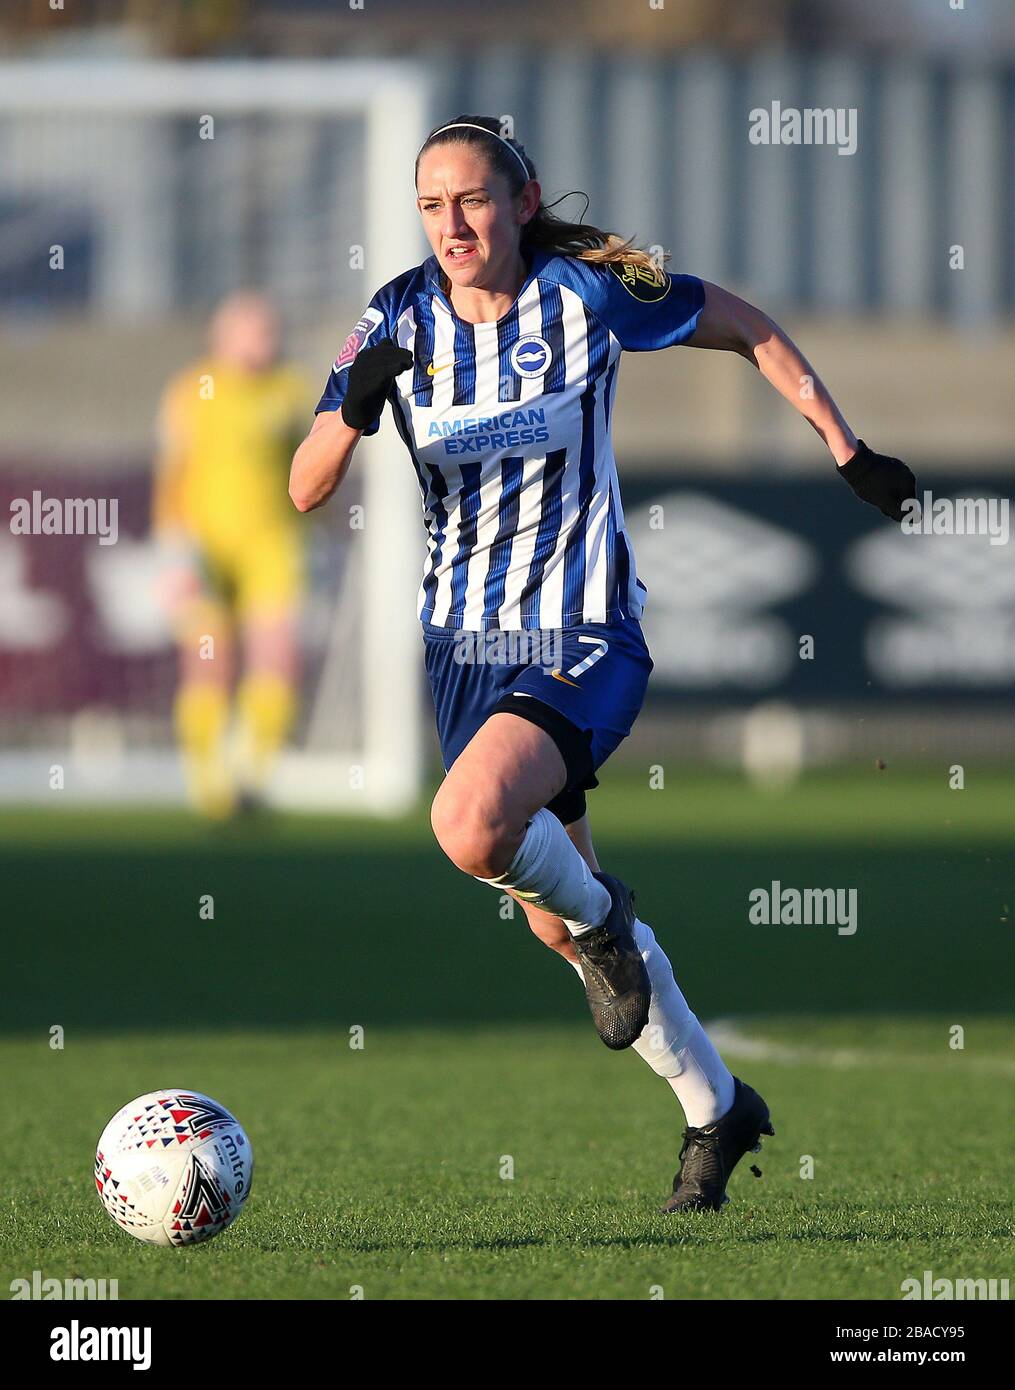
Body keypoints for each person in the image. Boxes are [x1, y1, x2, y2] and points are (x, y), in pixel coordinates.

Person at [289, 116, 916, 1212]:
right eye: (431, 205)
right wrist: (350, 410)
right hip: (464, 650)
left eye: (473, 200)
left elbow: (750, 327)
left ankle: (609, 925)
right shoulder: (394, 314)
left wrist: (846, 448)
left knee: (468, 822)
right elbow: (302, 489)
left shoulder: (590, 291)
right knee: (547, 915)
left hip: (586, 631)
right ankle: (718, 1111)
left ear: (521, 202)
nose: (452, 224)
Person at [154, 292, 310, 818]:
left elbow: (311, 467)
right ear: (222, 337)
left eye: (270, 330)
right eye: (252, 331)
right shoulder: (193, 391)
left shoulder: (290, 391)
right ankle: (208, 783)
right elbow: (172, 472)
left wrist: (325, 531)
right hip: (205, 546)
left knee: (279, 657)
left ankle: (251, 773)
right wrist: (174, 549)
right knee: (208, 664)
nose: (265, 341)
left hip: (273, 544)